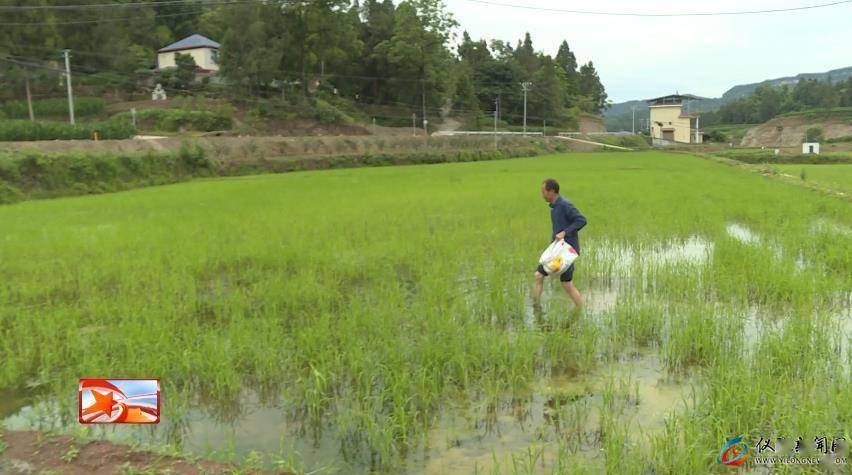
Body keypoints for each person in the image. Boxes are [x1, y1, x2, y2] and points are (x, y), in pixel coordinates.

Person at [533, 178, 586, 308]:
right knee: (539, 275)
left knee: (566, 283)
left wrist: (565, 232)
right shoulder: (555, 207)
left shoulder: (565, 205)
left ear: (551, 191)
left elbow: (581, 220)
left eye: (544, 192)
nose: (542, 195)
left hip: (567, 251)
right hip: (557, 249)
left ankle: (581, 309)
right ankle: (535, 306)